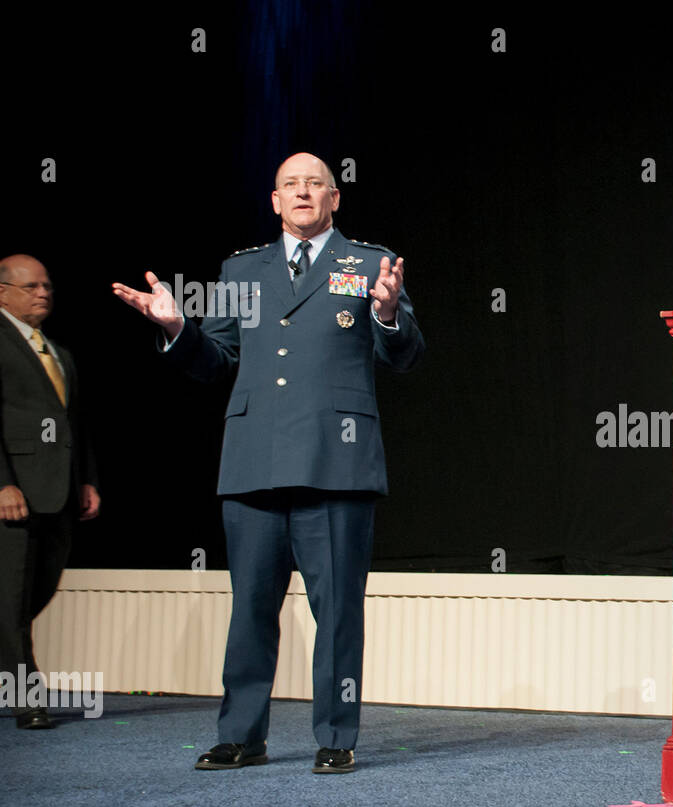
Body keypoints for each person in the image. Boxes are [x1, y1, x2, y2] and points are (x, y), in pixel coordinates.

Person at [112, 153, 424, 773]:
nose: (303, 192)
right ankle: (242, 734)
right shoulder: (241, 268)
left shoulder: (368, 263)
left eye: (316, 184)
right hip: (254, 459)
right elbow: (218, 362)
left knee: (336, 609)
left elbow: (405, 356)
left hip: (335, 461)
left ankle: (337, 736)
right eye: (291, 184)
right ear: (274, 201)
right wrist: (179, 330)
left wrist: (387, 315)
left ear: (335, 198)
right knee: (251, 606)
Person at [0, 254, 101, 730]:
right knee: (11, 600)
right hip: (13, 492)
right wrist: (2, 481)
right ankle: (27, 698)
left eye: (47, 286)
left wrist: (86, 478)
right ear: (3, 292)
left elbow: (74, 424)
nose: (43, 293)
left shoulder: (58, 351)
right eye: (31, 286)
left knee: (35, 592)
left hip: (57, 491)